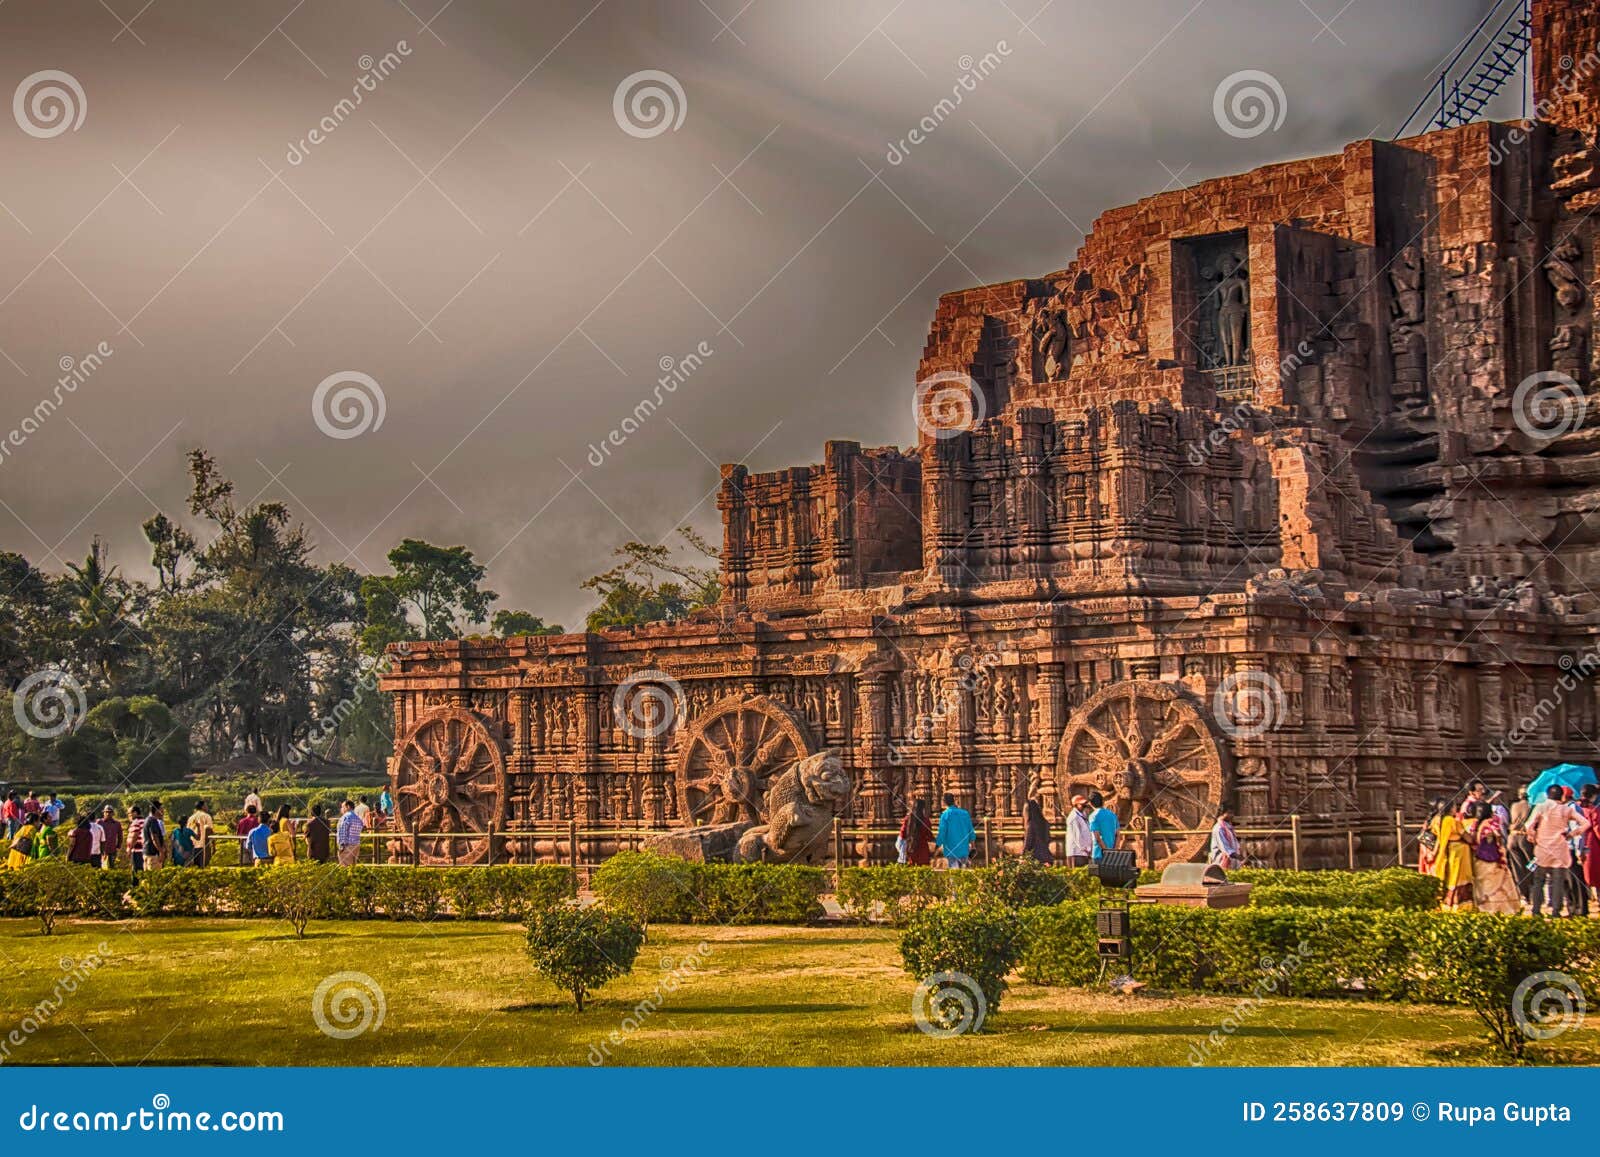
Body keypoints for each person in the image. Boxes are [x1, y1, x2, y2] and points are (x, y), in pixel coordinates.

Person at [1526, 785, 1589, 917]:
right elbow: (1586, 823)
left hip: (1542, 848)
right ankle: (1556, 911)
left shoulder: (1541, 807)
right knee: (1558, 881)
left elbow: (1528, 825)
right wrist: (1572, 834)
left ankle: (1536, 910)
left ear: (1547, 795)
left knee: (1539, 880)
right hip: (1560, 849)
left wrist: (1533, 836)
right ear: (1561, 796)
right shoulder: (1566, 810)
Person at [1464, 800, 1519, 914]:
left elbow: (1472, 840)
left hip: (1478, 859)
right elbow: (1498, 837)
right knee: (1498, 885)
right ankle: (1500, 910)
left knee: (1483, 886)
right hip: (1492, 858)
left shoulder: (1473, 825)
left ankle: (1484, 909)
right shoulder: (1492, 823)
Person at [1427, 797, 1474, 910]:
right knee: (1458, 878)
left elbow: (1439, 838)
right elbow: (1468, 839)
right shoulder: (1454, 822)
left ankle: (1446, 905)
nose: (1456, 809)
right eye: (1454, 806)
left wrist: (1434, 853)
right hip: (1457, 853)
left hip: (1445, 852)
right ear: (1449, 808)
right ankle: (1460, 906)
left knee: (1449, 877)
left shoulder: (1437, 821)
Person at [1508, 785, 1534, 903]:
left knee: (1518, 868)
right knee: (1531, 865)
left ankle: (1523, 895)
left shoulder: (1514, 806)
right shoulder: (1531, 806)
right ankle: (1533, 893)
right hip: (1524, 837)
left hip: (1512, 837)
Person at [934, 793, 973, 869]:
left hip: (951, 849)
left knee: (954, 874)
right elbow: (971, 831)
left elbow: (942, 833)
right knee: (964, 873)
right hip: (964, 848)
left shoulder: (945, 815)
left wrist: (937, 845)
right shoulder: (964, 813)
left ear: (944, 802)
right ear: (954, 800)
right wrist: (973, 846)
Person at [1087, 791, 1120, 863]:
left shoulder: (1093, 816)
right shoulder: (1113, 815)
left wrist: (1106, 852)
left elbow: (1097, 838)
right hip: (1113, 853)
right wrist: (1114, 850)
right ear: (1103, 801)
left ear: (1090, 803)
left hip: (1098, 853)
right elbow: (1118, 835)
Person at [897, 799, 931, 866]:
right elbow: (929, 836)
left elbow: (902, 834)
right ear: (923, 809)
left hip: (911, 848)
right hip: (923, 850)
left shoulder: (908, 819)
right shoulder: (926, 821)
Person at [1582, 785, 1600, 908]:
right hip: (1592, 843)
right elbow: (1597, 828)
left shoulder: (1576, 807)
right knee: (1597, 873)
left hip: (1579, 844)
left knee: (1585, 873)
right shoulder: (1593, 810)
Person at [1021, 797, 1053, 864]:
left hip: (1035, 857)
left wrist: (1023, 855)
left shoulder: (1030, 825)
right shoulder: (1044, 823)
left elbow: (1028, 841)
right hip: (1046, 855)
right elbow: (1048, 839)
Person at [1064, 794, 1093, 867]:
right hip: (1077, 852)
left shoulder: (1082, 815)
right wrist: (1086, 849)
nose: (1084, 806)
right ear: (1075, 805)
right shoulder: (1074, 817)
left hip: (1083, 852)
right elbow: (1077, 836)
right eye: (1082, 804)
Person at [336, 799, 365, 867]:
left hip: (347, 845)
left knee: (345, 866)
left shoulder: (346, 817)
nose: (341, 809)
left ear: (348, 807)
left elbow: (342, 831)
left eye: (343, 807)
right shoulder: (358, 818)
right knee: (353, 867)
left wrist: (341, 846)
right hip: (356, 845)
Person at [188, 800, 214, 867]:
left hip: (192, 845)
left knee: (194, 868)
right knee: (203, 866)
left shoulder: (191, 818)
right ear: (203, 807)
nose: (207, 807)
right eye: (206, 805)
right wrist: (213, 845)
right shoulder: (206, 816)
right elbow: (210, 830)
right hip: (203, 845)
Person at [143, 800, 167, 870]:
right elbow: (154, 837)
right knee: (155, 876)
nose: (163, 811)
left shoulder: (147, 819)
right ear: (156, 810)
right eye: (161, 809)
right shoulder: (153, 821)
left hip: (147, 853)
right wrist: (161, 851)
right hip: (153, 855)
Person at [127, 806, 145, 872]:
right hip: (143, 849)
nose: (128, 815)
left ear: (135, 813)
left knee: (136, 870)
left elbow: (135, 836)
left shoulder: (136, 822)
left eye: (129, 813)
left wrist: (130, 848)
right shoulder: (144, 821)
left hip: (136, 850)